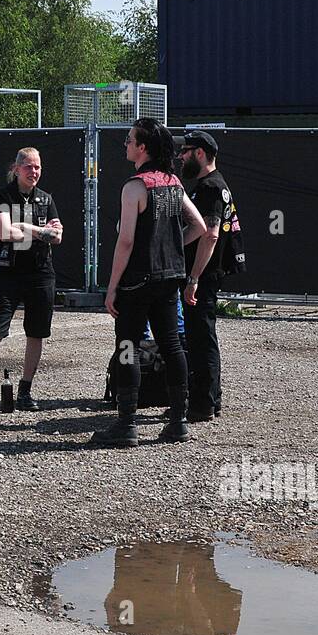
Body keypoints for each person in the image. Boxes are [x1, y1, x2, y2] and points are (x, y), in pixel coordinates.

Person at [94, 119, 208, 448]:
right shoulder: (172, 183)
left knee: (128, 346)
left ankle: (127, 423)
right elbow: (198, 226)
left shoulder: (135, 187)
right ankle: (178, 421)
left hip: (137, 281)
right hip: (169, 278)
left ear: (142, 147)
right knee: (171, 345)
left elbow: (126, 242)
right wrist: (172, 249)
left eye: (129, 140)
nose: (126, 145)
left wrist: (112, 286)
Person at [0, 147, 62, 411]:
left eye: (38, 167)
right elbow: (5, 233)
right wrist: (42, 232)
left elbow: (59, 237)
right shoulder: (2, 196)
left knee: (37, 333)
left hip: (41, 272)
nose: (34, 172)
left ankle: (25, 391)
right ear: (17, 169)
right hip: (9, 274)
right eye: (29, 167)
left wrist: (27, 228)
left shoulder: (46, 199)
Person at [180, 130, 237, 422]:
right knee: (201, 336)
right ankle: (209, 399)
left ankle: (202, 404)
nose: (181, 156)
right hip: (205, 274)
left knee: (201, 339)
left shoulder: (210, 187)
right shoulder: (211, 185)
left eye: (186, 151)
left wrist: (193, 278)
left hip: (203, 275)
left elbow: (210, 234)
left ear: (200, 153)